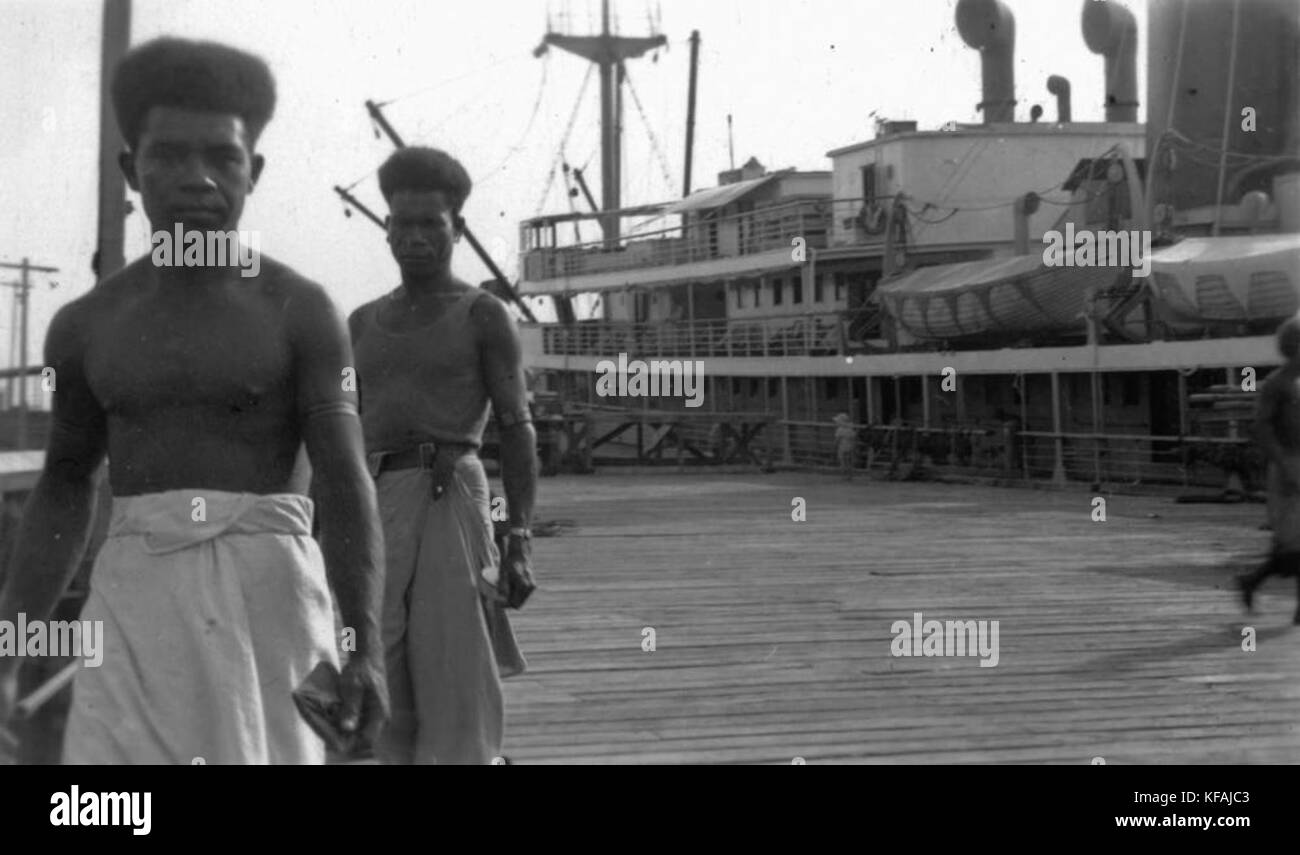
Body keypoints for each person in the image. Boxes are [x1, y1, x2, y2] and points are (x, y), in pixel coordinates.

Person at [0, 37, 388, 763]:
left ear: (255, 171)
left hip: (270, 598)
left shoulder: (300, 310)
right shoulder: (85, 326)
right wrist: (11, 645)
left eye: (222, 157)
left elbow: (343, 474)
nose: (197, 179)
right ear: (130, 169)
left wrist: (362, 645)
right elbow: (63, 484)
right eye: (169, 156)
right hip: (136, 601)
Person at [350, 146, 535, 765]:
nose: (414, 236)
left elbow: (517, 426)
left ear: (457, 227)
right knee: (375, 651)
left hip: (450, 494)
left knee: (452, 654)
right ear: (386, 230)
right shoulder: (360, 322)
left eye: (431, 222)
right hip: (376, 502)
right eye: (401, 223)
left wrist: (519, 538)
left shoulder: (483, 315)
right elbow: (338, 431)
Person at [1237, 313, 1300, 623]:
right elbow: (1262, 427)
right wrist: (1283, 463)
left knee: (1295, 541)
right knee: (1292, 541)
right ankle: (1252, 580)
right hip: (1288, 464)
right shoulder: (1277, 384)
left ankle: (1253, 581)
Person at [834, 413, 856, 480]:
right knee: (849, 462)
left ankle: (844, 476)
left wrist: (835, 445)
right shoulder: (851, 429)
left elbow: (837, 440)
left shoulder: (840, 430)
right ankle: (850, 476)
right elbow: (853, 439)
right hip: (850, 447)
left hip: (842, 448)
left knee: (843, 462)